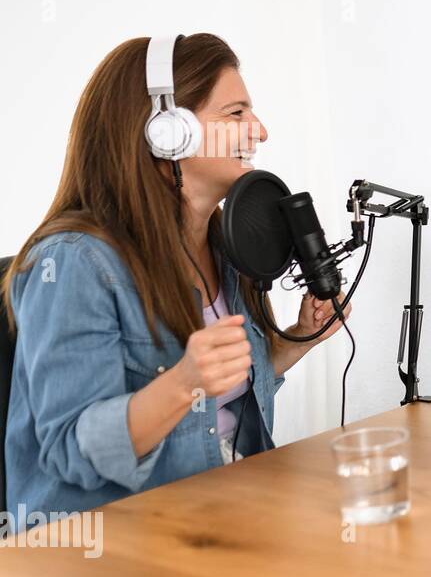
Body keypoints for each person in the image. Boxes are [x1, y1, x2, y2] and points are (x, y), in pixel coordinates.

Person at [3, 34, 348, 517]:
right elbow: (70, 451)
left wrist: (297, 340)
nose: (261, 131)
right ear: (166, 131)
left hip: (222, 510)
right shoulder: (74, 264)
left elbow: (225, 388)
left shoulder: (226, 247)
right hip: (110, 550)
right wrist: (184, 383)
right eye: (236, 114)